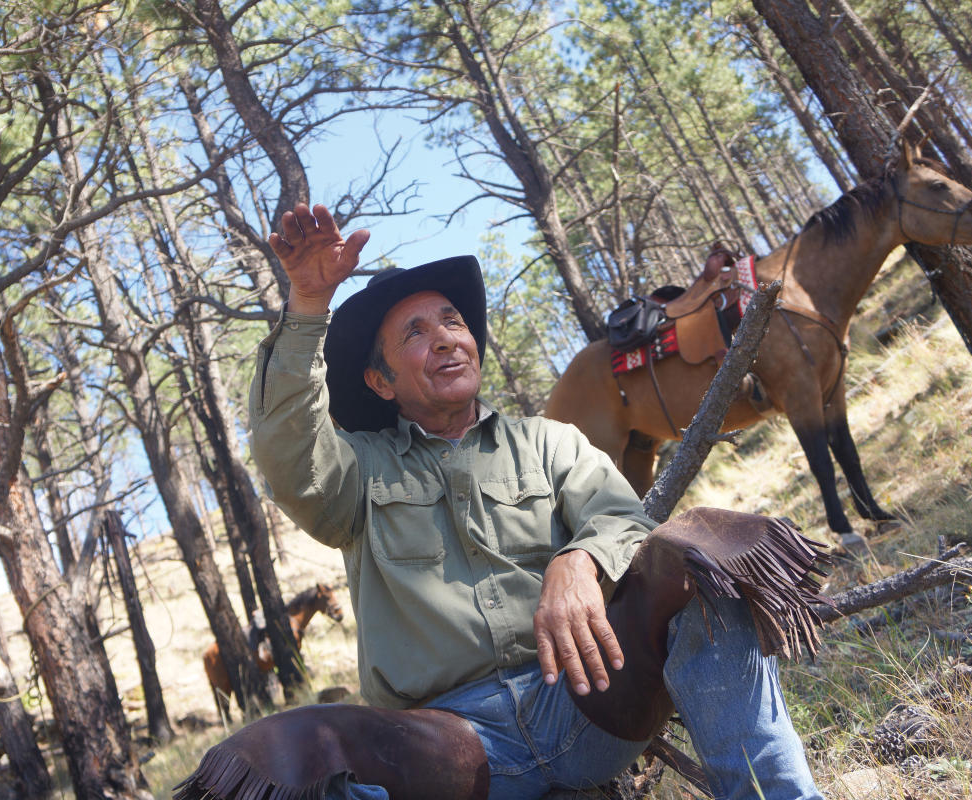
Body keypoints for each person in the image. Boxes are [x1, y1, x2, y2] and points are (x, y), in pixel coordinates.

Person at [247, 202, 824, 800]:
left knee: (695, 562)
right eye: (414, 333)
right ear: (380, 381)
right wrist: (309, 307)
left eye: (452, 322)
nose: (445, 339)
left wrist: (580, 561)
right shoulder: (356, 469)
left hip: (585, 699)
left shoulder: (547, 441)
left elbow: (622, 518)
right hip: (445, 745)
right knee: (285, 751)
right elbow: (290, 457)